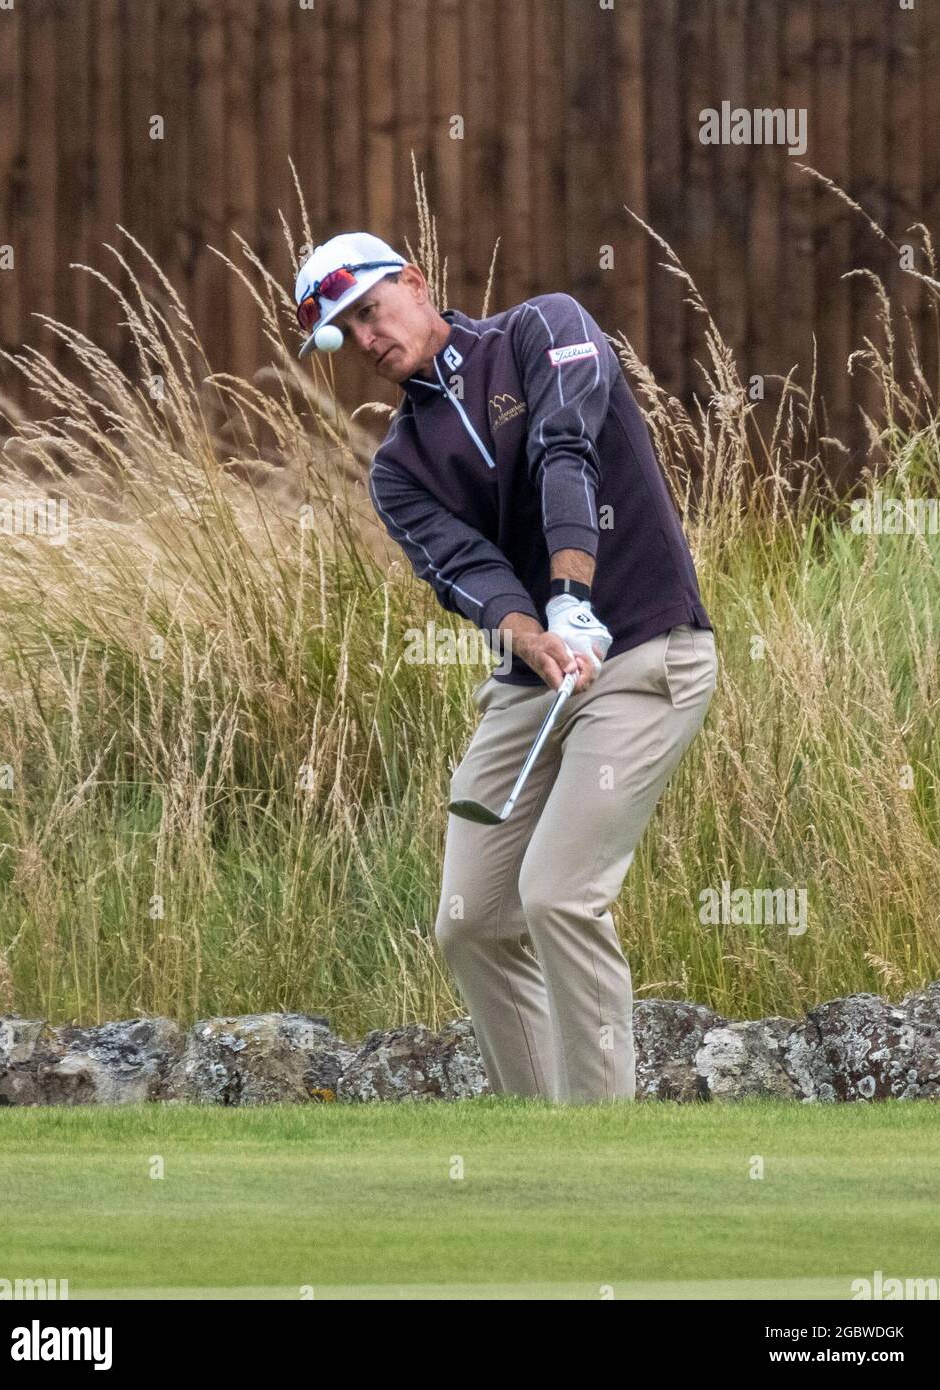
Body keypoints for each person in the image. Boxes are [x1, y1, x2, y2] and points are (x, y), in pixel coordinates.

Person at [295, 232, 717, 1103]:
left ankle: (600, 1153)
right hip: (535, 681)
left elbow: (567, 448)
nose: (368, 340)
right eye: (347, 331)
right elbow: (472, 576)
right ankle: (539, 1132)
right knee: (473, 921)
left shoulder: (542, 329)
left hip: (644, 650)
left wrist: (572, 592)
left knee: (559, 897)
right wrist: (536, 634)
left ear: (414, 283)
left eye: (371, 311)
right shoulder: (399, 469)